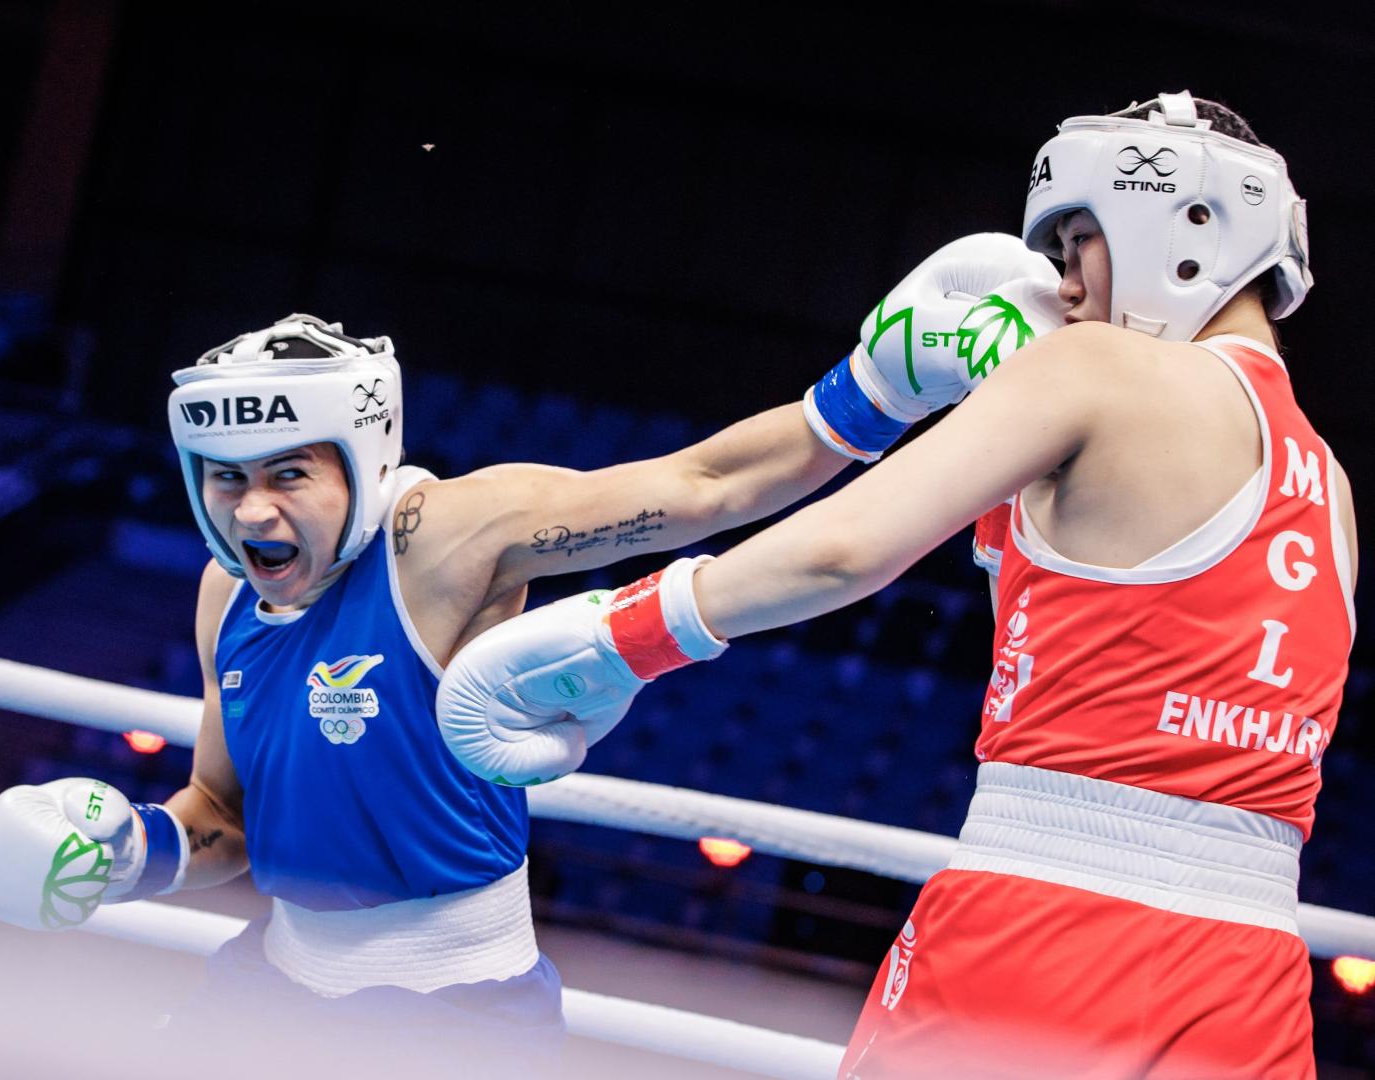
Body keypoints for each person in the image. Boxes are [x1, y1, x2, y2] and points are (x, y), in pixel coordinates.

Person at [0, 236, 1063, 1072]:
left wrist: (873, 393)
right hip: (267, 979)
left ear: (360, 460)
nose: (252, 511)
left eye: (289, 474)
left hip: (451, 1011)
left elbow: (702, 490)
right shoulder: (228, 597)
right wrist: (132, 855)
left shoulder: (444, 539)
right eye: (226, 479)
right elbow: (226, 815)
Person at [439, 91, 1349, 1078]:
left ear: (1189, 226)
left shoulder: (1101, 369)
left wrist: (624, 634)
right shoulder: (1327, 483)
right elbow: (1077, 636)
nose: (1068, 290)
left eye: (1078, 243)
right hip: (1248, 973)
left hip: (1041, 927)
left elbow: (844, 550)